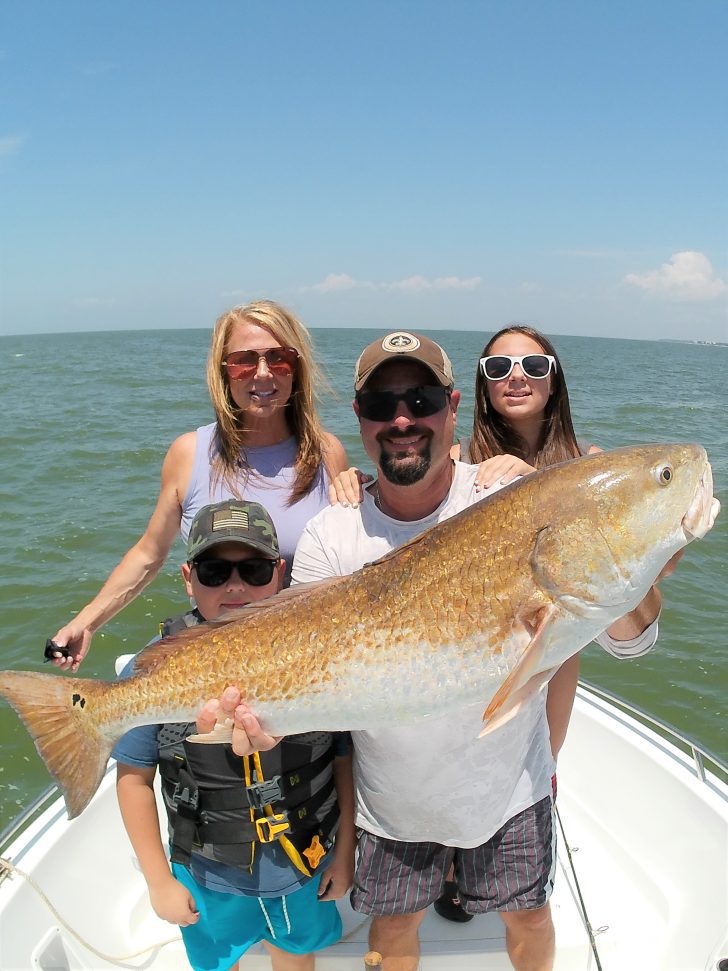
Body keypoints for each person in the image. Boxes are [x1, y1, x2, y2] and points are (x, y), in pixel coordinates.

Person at [244, 330, 667, 971]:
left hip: (511, 789)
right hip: (392, 800)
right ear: (358, 418)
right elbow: (308, 673)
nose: (403, 419)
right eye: (382, 405)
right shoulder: (333, 534)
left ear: (452, 407)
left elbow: (630, 641)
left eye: (419, 399)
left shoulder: (508, 497)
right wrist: (262, 729)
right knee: (393, 929)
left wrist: (640, 554)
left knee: (528, 916)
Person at [114, 499, 355, 971]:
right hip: (205, 872)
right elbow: (134, 778)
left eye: (255, 569)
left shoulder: (324, 655)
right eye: (214, 571)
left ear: (280, 573)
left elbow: (342, 758)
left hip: (302, 863)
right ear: (188, 577)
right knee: (219, 962)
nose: (236, 586)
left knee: (295, 954)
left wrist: (344, 850)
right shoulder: (152, 666)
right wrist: (159, 880)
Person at [50, 300, 348, 671]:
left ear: (296, 369)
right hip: (213, 651)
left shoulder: (326, 453)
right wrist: (87, 622)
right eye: (243, 362)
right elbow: (149, 554)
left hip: (299, 656)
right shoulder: (189, 453)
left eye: (278, 358)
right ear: (223, 373)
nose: (263, 374)